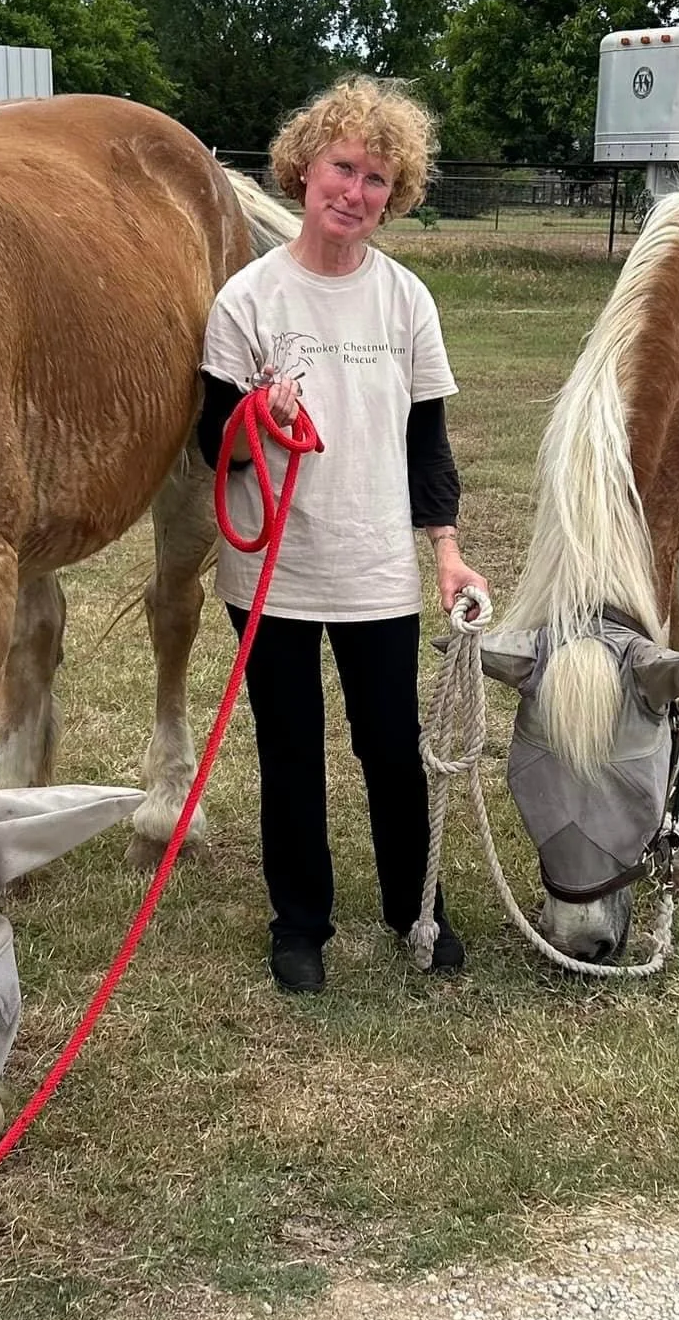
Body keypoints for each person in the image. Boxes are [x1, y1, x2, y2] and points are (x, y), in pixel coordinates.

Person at [197, 78, 489, 995]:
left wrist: (444, 549)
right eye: (342, 168)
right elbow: (214, 446)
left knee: (390, 747)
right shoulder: (247, 300)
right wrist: (254, 414)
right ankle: (301, 923)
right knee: (290, 753)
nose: (354, 191)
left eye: (376, 178)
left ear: (393, 195)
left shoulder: (406, 302)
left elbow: (426, 443)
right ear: (302, 170)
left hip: (372, 571)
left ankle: (415, 907)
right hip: (273, 575)